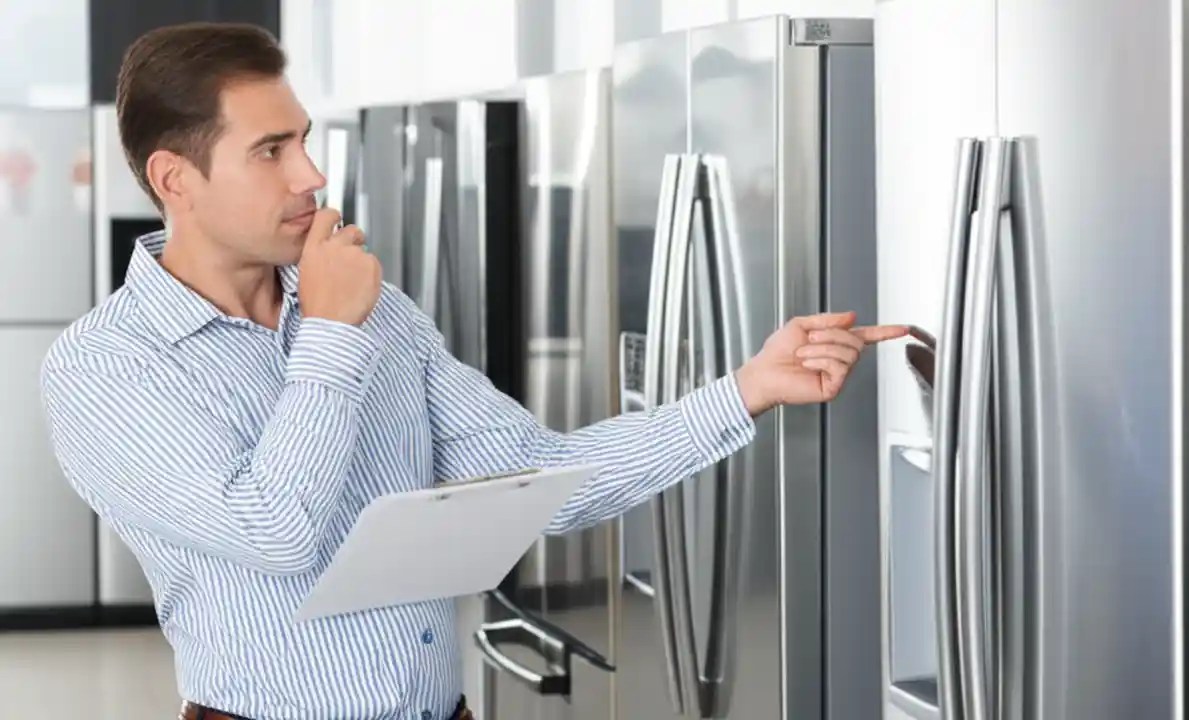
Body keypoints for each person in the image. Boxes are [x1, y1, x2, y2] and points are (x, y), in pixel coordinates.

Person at [38, 22, 907, 720]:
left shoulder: (378, 307)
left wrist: (745, 389)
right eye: (271, 151)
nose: (311, 174)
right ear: (174, 179)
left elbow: (546, 482)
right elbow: (277, 535)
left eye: (303, 139)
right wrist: (336, 335)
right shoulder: (104, 370)